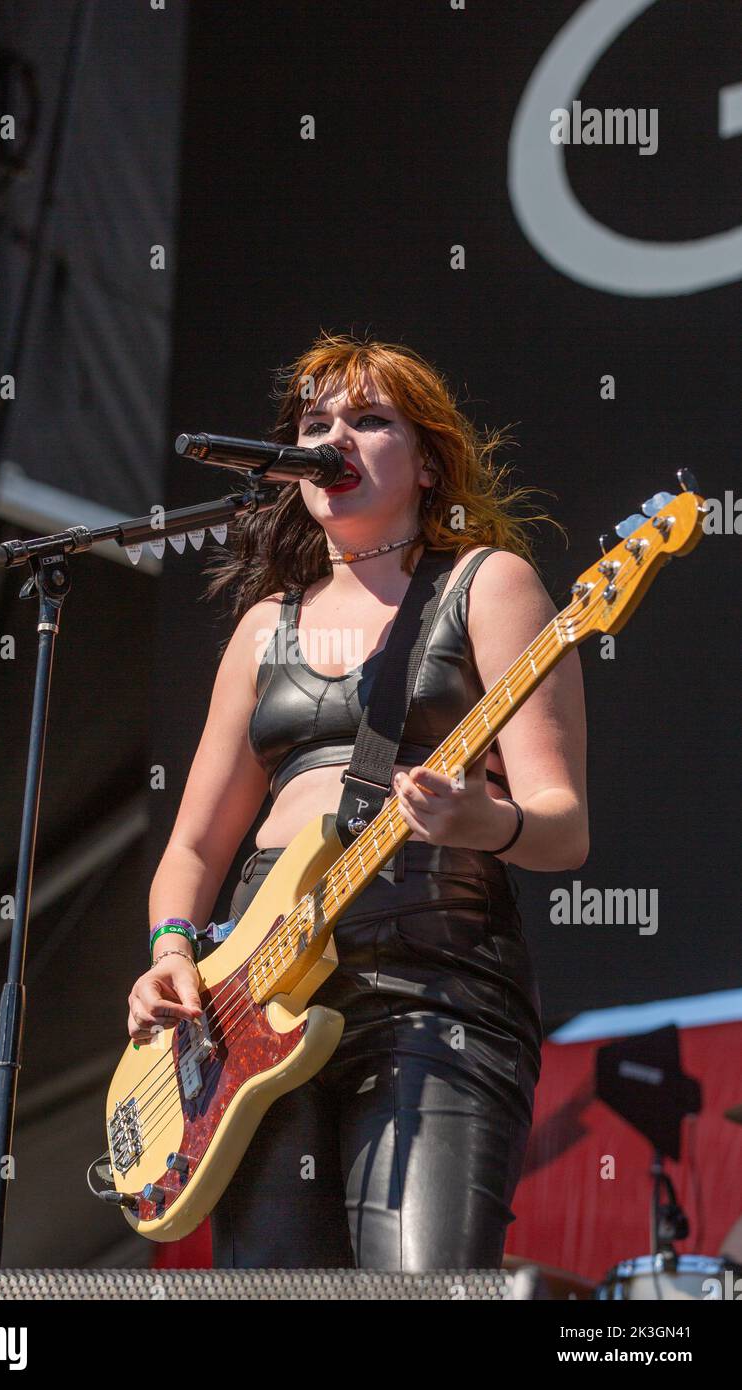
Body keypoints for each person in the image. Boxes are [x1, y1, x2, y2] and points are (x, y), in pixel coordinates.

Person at [128, 331, 588, 1270]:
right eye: (314, 422)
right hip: (256, 1005)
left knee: (421, 1292)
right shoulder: (266, 628)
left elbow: (564, 828)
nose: (333, 435)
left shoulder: (486, 585)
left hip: (434, 988)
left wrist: (482, 822)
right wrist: (172, 951)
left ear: (427, 462)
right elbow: (191, 851)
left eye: (369, 419)